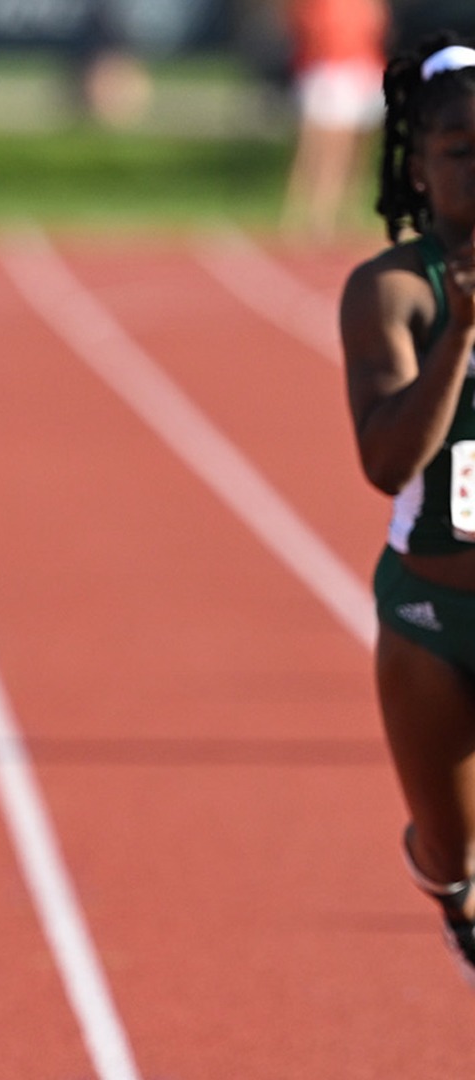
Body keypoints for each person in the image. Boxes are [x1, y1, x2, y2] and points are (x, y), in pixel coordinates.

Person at [344, 31, 475, 990]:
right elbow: (388, 463)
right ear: (420, 171)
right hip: (434, 618)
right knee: (450, 850)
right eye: (461, 150)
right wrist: (462, 331)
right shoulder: (392, 290)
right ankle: (456, 893)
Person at [281, 0, 390, 242]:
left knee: (358, 149)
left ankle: (348, 212)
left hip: (365, 65)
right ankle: (310, 215)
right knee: (324, 148)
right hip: (330, 67)